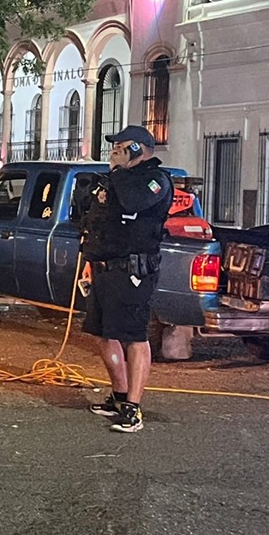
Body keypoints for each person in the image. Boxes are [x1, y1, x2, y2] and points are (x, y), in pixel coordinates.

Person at [79, 125, 173, 433]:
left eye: (122, 145)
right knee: (105, 333)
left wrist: (118, 173)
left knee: (134, 336)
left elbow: (135, 203)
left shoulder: (155, 180)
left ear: (140, 148)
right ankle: (119, 396)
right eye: (114, 146)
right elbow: (95, 221)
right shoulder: (113, 180)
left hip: (134, 269)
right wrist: (89, 262)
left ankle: (133, 408)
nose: (115, 150)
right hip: (105, 267)